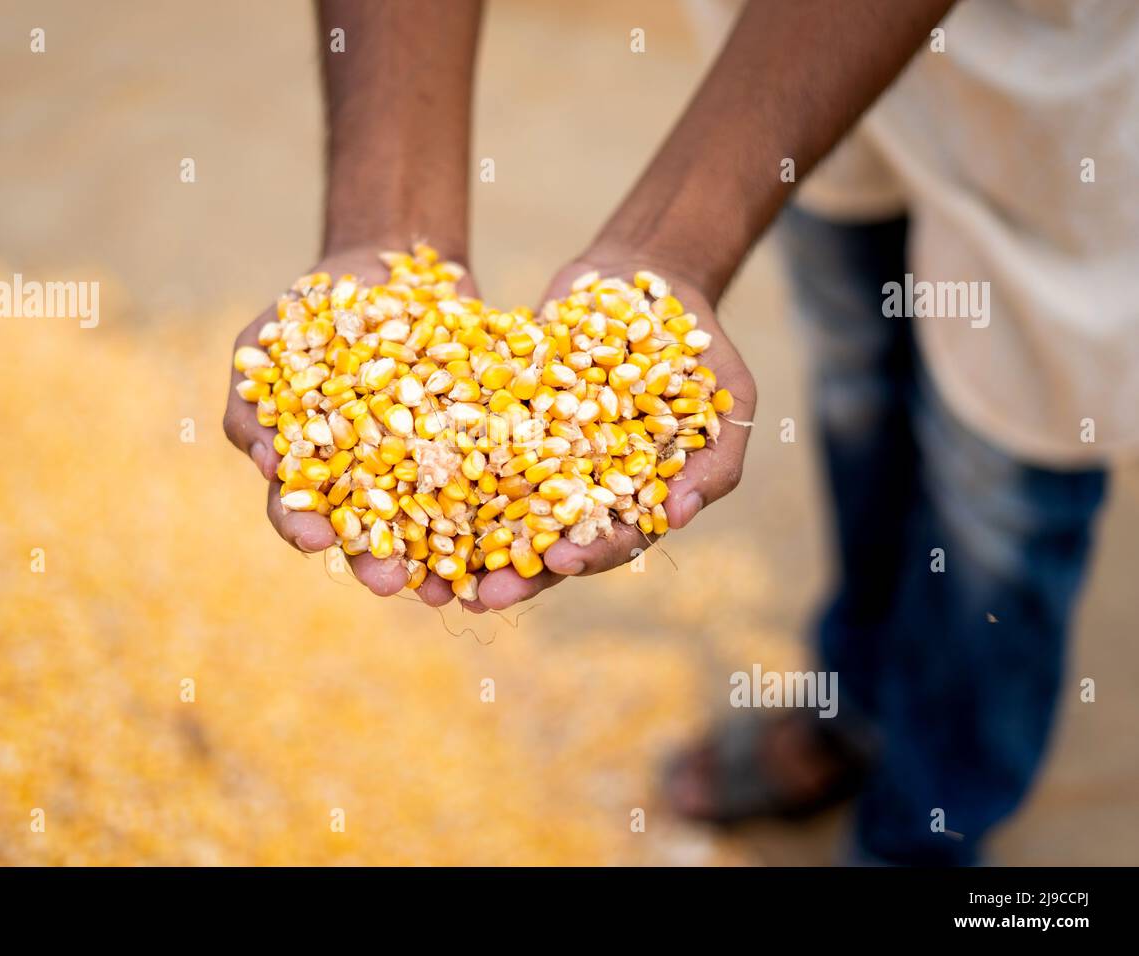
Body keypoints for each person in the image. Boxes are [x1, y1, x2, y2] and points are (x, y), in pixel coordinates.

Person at [222, 0, 1139, 865]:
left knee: (1004, 475)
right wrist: (391, 223)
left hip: (1046, 64)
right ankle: (856, 701)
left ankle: (927, 824)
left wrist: (673, 246)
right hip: (771, 58)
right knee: (857, 356)